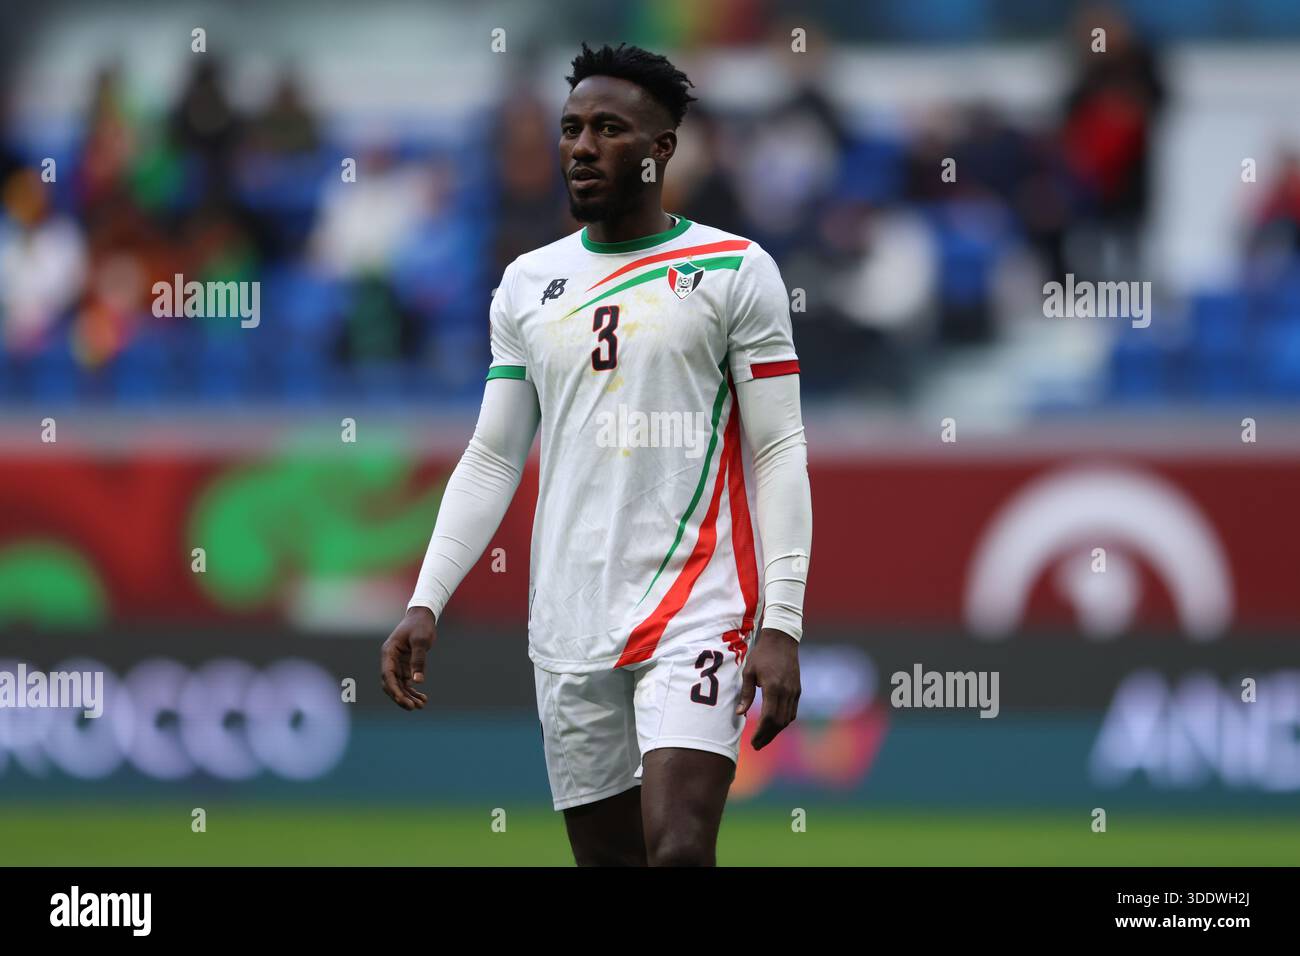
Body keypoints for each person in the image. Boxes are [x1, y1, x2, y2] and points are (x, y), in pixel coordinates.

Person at [381, 42, 813, 866]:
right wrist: (427, 598)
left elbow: (780, 448)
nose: (582, 146)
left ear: (662, 150)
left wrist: (782, 622)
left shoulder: (734, 270)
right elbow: (493, 458)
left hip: (701, 612)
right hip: (569, 626)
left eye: (609, 129)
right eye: (571, 128)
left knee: (680, 850)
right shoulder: (527, 286)